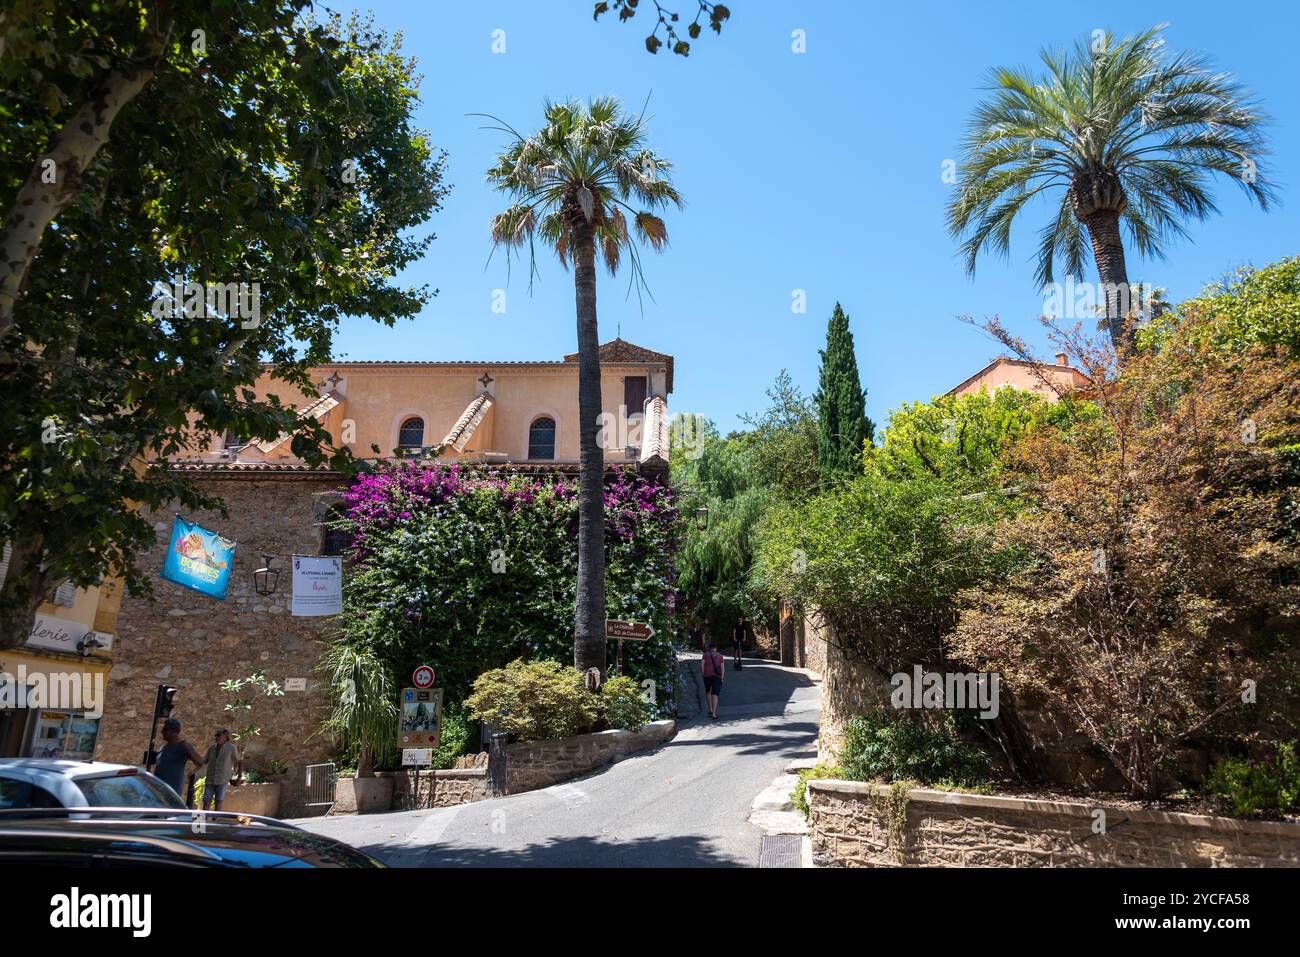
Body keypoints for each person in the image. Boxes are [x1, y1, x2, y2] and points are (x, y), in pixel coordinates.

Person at [153, 718, 203, 804]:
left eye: (165, 730)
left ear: (174, 731)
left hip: (171, 792)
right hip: (158, 790)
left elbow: (200, 762)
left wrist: (193, 771)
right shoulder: (163, 748)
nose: (162, 732)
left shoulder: (182, 746)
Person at [199, 727, 243, 811]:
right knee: (206, 802)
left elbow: (239, 761)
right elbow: (204, 761)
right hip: (210, 779)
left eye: (219, 735)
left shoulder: (231, 748)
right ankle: (203, 822)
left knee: (218, 803)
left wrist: (239, 776)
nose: (216, 737)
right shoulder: (212, 748)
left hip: (222, 780)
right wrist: (194, 768)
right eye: (216, 735)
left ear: (226, 737)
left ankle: (215, 822)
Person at [701, 643, 725, 720]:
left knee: (708, 692)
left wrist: (703, 674)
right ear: (716, 648)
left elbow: (702, 665)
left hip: (707, 676)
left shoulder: (705, 655)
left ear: (709, 648)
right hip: (717, 677)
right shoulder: (720, 656)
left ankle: (710, 709)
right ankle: (714, 714)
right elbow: (722, 668)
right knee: (715, 694)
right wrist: (722, 677)